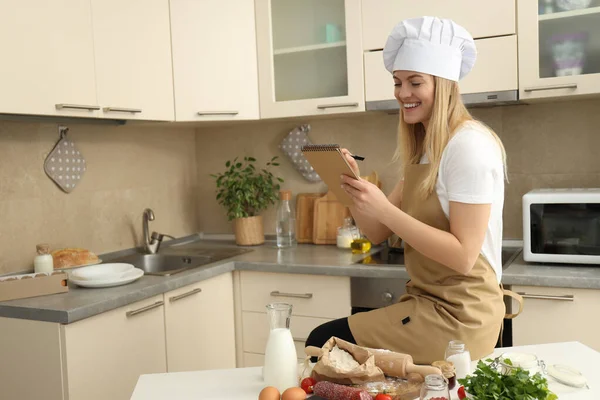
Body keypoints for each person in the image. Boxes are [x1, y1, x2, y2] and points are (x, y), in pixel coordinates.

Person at [305, 16, 522, 364]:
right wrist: (353, 184)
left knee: (323, 343)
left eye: (415, 82)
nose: (402, 93)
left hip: (460, 316)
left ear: (443, 84)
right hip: (427, 303)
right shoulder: (426, 150)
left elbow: (464, 256)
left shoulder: (469, 146)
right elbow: (375, 231)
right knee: (330, 349)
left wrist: (385, 208)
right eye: (398, 82)